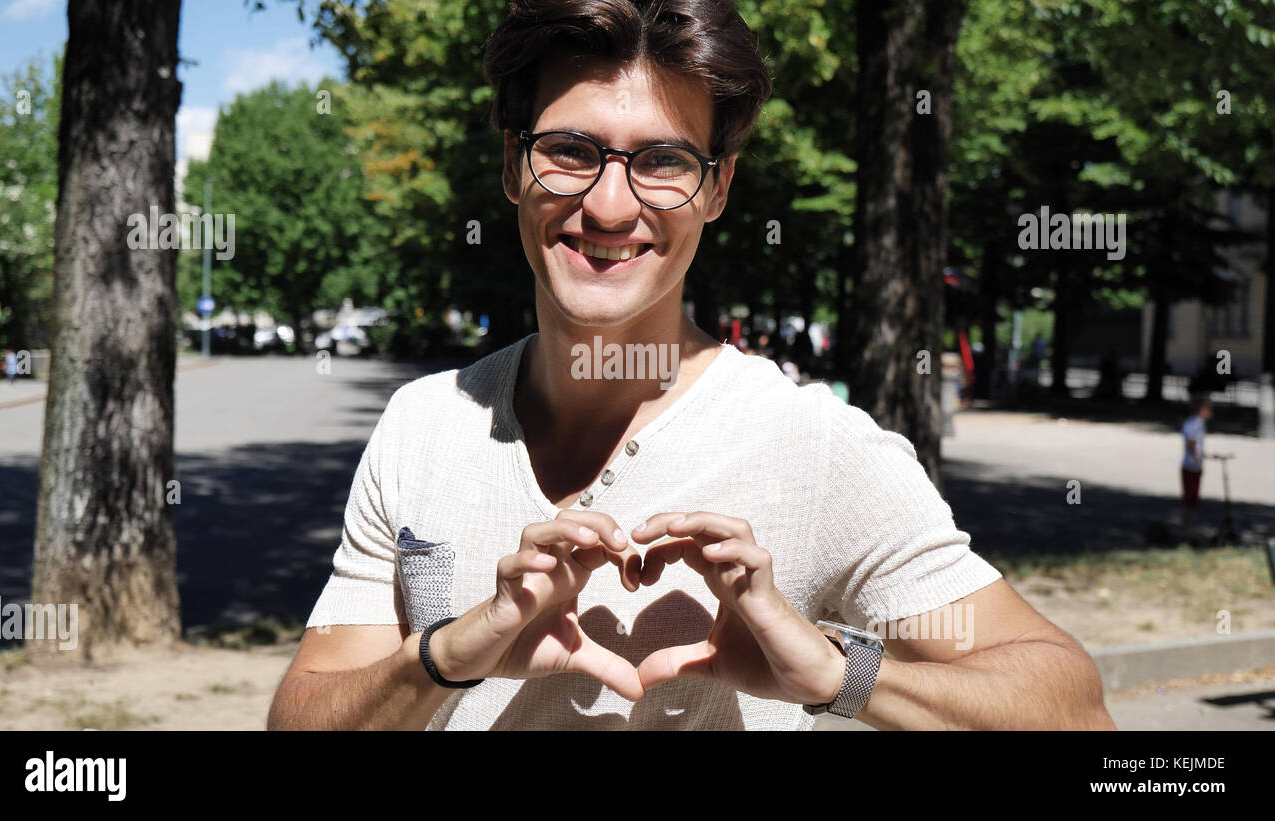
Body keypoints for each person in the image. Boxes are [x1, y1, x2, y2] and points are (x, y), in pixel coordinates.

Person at [269, 0, 1113, 731]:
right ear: (512, 165)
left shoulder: (811, 443)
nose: (608, 205)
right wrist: (451, 651)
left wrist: (835, 672)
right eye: (570, 149)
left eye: (663, 162)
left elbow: (1074, 709)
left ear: (717, 189)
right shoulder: (424, 424)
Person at [1180, 396, 1213, 543]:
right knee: (1190, 502)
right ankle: (1185, 534)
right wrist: (1199, 462)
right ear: (1202, 410)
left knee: (1191, 502)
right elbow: (1192, 444)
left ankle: (1187, 532)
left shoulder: (1192, 422)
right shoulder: (1196, 424)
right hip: (1192, 466)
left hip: (1189, 465)